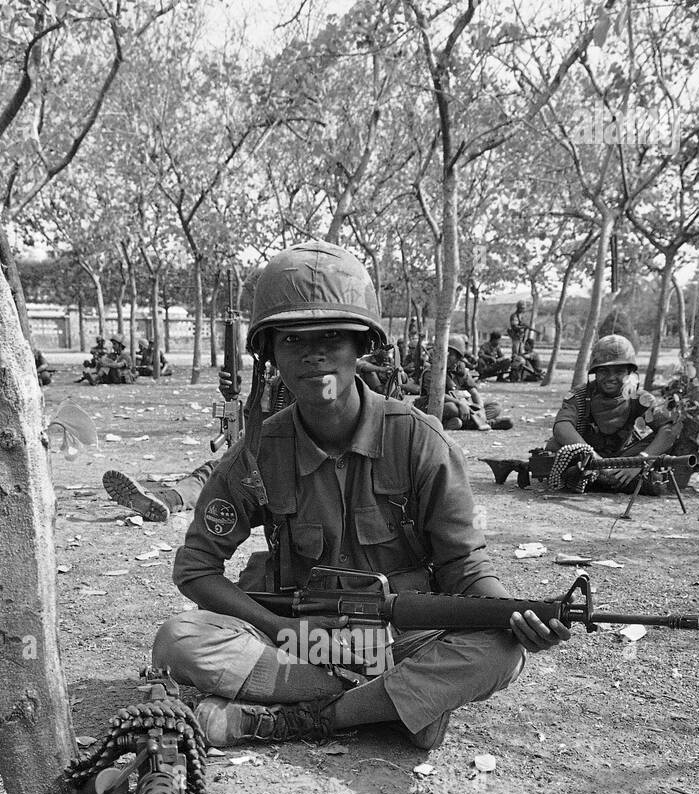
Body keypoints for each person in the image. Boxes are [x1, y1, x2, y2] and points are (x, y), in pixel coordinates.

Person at [150, 239, 569, 752]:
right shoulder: (256, 454)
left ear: (361, 346)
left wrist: (514, 613)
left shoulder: (419, 441)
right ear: (271, 355)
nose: (314, 353)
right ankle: (394, 707)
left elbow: (465, 566)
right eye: (292, 340)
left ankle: (302, 720)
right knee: (178, 640)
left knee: (502, 651)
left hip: (401, 641)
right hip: (304, 642)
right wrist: (276, 625)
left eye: (334, 336)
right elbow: (195, 569)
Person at [102, 363, 292, 523]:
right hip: (268, 464)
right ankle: (163, 500)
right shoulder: (272, 384)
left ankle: (166, 499)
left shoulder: (305, 385)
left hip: (291, 473)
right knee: (215, 471)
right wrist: (231, 398)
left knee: (216, 473)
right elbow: (253, 430)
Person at [543, 335, 684, 494]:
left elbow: (668, 429)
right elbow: (562, 427)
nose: (611, 378)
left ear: (629, 372)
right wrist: (594, 458)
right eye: (604, 371)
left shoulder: (638, 397)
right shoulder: (580, 395)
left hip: (625, 461)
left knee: (664, 441)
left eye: (619, 371)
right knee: (556, 445)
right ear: (595, 372)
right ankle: (602, 480)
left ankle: (603, 481)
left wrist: (641, 462)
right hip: (587, 459)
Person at [415, 334, 512, 431]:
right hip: (433, 406)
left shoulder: (460, 371)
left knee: (495, 406)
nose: (449, 357)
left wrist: (480, 409)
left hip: (464, 406)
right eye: (448, 353)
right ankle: (483, 423)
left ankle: (470, 421)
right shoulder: (431, 372)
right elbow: (438, 396)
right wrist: (460, 404)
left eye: (454, 355)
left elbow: (473, 392)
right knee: (452, 408)